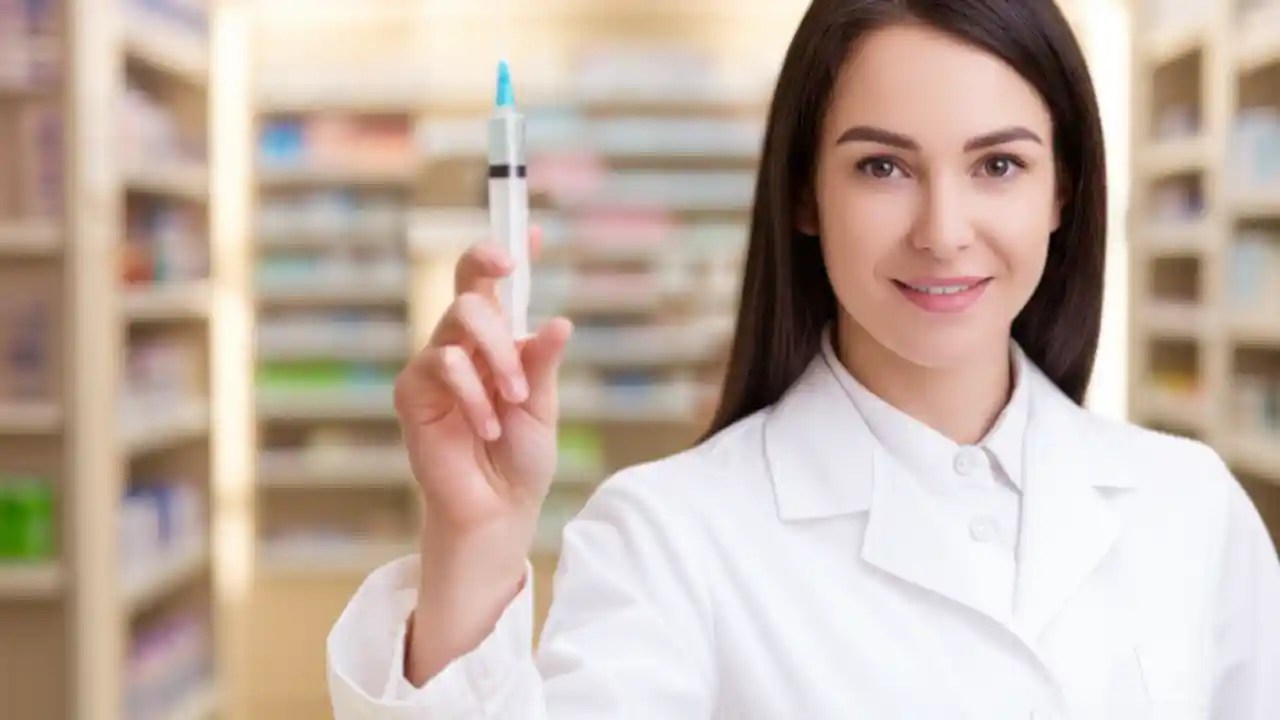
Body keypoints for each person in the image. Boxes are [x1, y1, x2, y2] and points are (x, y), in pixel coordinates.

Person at [328, 0, 1280, 717]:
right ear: (804, 195)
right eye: (882, 167)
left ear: (1062, 190)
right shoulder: (669, 536)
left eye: (998, 165)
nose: (944, 231)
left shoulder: (1191, 509)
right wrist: (474, 545)